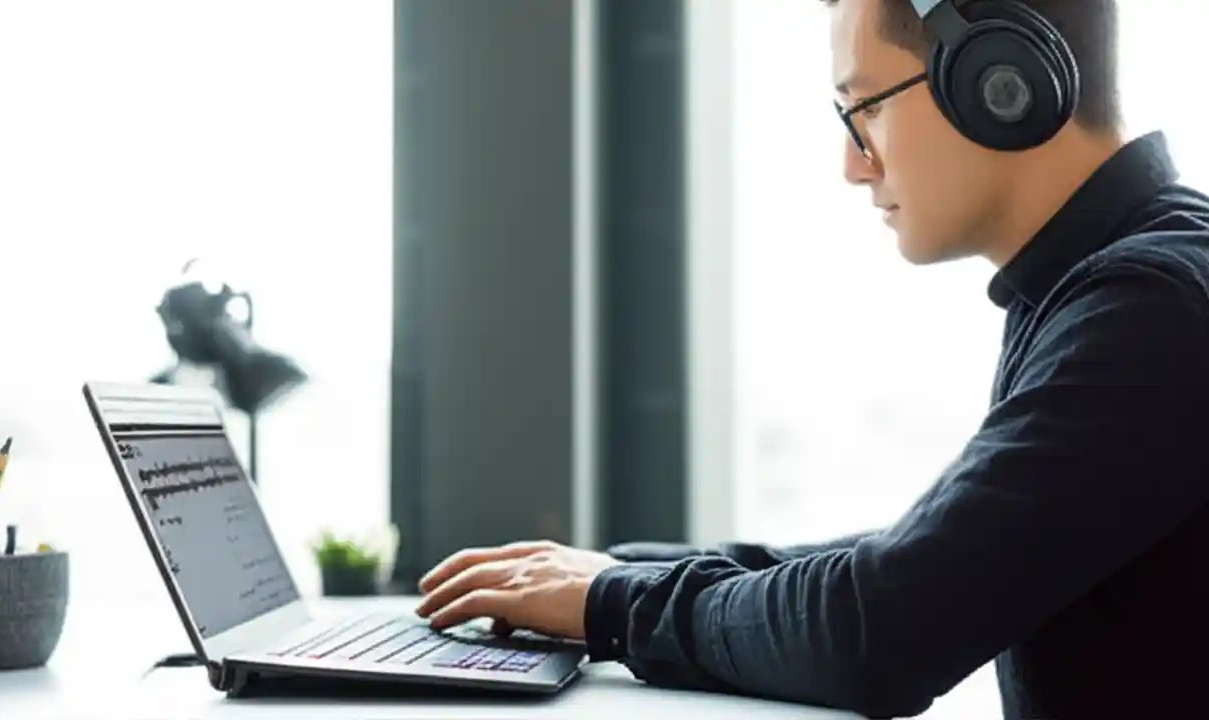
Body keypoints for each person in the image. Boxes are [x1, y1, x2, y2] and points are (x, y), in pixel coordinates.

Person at [414, 1, 1209, 717]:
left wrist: (614, 606)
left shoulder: (1155, 307)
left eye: (866, 107)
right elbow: (937, 560)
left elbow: (888, 627)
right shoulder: (1111, 286)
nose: (853, 164)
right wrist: (615, 577)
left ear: (1001, 83)